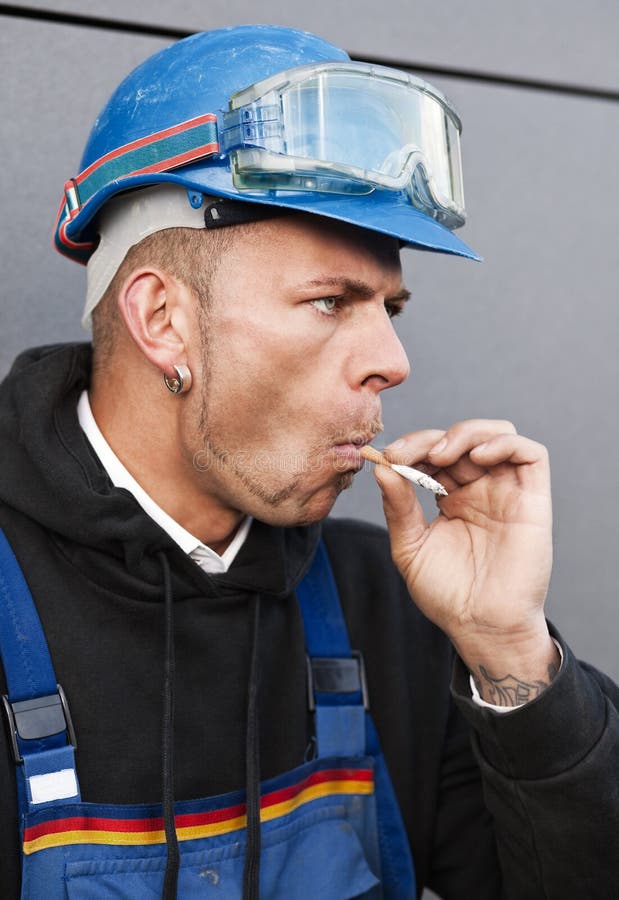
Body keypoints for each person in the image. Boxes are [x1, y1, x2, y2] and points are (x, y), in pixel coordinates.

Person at [0, 23, 617, 900]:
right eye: (331, 301)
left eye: (390, 307)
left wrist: (509, 654)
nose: (392, 361)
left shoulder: (391, 605)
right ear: (162, 319)